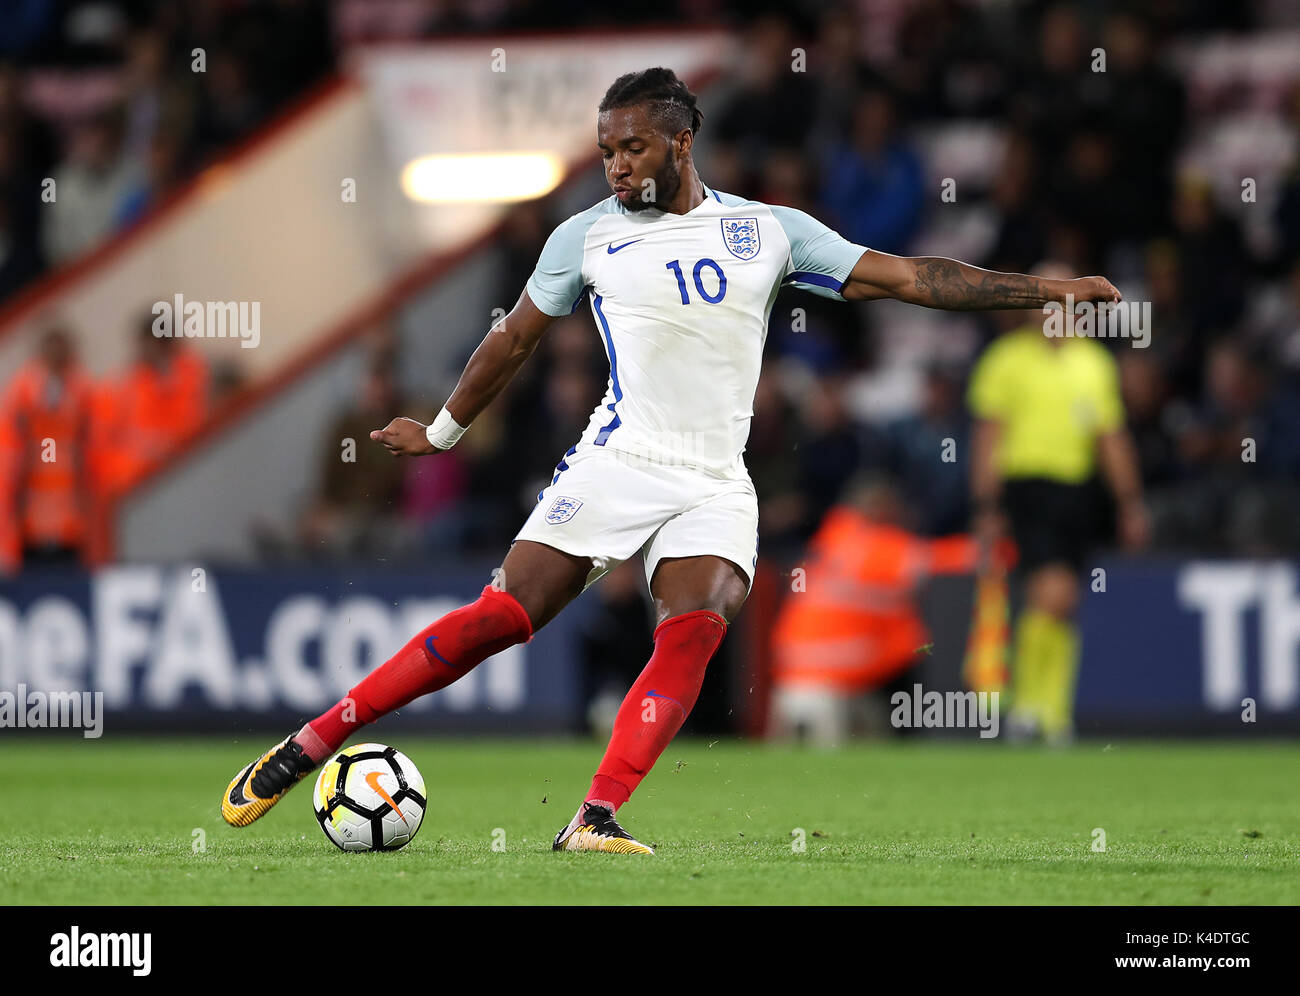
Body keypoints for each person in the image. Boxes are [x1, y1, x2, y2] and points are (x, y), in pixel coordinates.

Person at [221, 68, 1120, 853]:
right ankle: (312, 742)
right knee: (504, 618)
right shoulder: (584, 237)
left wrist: (1049, 292)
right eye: (607, 150)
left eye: (633, 147)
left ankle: (595, 820)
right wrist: (443, 431)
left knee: (698, 623)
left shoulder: (770, 232)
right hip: (619, 459)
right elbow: (513, 340)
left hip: (717, 477)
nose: (615, 165)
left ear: (682, 141)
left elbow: (912, 278)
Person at [968, 267, 1149, 743]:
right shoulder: (1006, 360)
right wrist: (987, 503)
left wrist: (1129, 502)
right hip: (1028, 488)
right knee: (1051, 590)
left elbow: (1110, 438)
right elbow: (989, 436)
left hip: (1077, 493)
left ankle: (1053, 713)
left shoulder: (1094, 363)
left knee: (1065, 600)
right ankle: (1031, 707)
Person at [769, 474, 978, 746]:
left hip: (791, 670)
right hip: (834, 675)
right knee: (913, 649)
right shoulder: (878, 548)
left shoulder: (829, 540)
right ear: (879, 508)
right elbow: (950, 559)